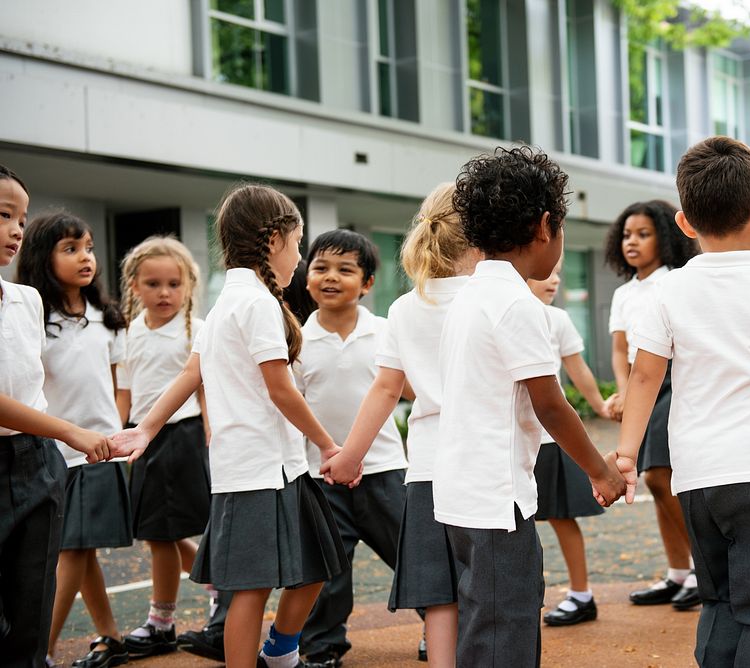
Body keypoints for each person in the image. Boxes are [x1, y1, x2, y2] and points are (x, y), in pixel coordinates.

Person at [614, 136, 750, 666]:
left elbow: (644, 377)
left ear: (684, 223)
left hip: (696, 476)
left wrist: (626, 453)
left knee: (720, 600)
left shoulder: (668, 291)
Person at [111, 183, 348, 668]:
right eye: (299, 245)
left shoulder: (231, 302)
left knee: (317, 564)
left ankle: (280, 654)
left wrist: (147, 427)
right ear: (275, 239)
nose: (299, 257)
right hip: (256, 469)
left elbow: (189, 373)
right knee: (252, 589)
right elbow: (279, 389)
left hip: (278, 468)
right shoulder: (254, 303)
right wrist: (329, 445)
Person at [433, 146, 626, 667]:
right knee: (506, 635)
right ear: (545, 226)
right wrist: (601, 470)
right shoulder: (516, 305)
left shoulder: (469, 298)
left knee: (483, 626)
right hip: (497, 500)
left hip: (461, 494)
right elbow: (551, 403)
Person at [324, 182, 480, 667]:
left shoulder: (405, 308)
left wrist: (350, 454)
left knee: (437, 592)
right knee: (487, 584)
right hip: (484, 464)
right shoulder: (490, 297)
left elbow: (386, 389)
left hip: (427, 467)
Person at [0, 165, 112, 667]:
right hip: (57, 445)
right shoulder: (39, 307)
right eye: (4, 216)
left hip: (40, 461)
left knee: (32, 603)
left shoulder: (24, 301)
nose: (16, 230)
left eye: (21, 218)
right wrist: (72, 432)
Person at [16, 211, 132, 668]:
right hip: (56, 451)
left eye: (87, 247)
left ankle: (42, 650)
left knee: (76, 549)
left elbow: (119, 383)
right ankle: (109, 636)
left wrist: (115, 431)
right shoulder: (35, 318)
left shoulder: (107, 316)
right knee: (77, 550)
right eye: (70, 249)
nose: (86, 257)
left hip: (100, 453)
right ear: (44, 258)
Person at [293, 229, 411, 667]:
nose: (330, 277)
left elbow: (414, 389)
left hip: (383, 469)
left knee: (413, 555)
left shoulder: (385, 332)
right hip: (321, 476)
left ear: (367, 284)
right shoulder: (297, 341)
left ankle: (438, 626)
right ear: (306, 277)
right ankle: (323, 645)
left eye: (346, 270)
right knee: (328, 569)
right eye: (320, 267)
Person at [115, 236, 212, 657]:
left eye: (174, 284)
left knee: (186, 529)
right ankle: (166, 619)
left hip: (186, 437)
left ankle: (207, 596)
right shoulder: (127, 331)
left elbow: (206, 388)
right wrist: (113, 435)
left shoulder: (198, 330)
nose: (164, 292)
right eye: (153, 284)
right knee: (157, 535)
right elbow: (124, 391)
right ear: (135, 285)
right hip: (143, 440)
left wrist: (213, 435)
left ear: (188, 285)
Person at [603, 200, 701, 609]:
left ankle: (703, 569)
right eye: (627, 235)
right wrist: (623, 393)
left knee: (661, 476)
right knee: (655, 479)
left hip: (671, 383)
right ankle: (678, 573)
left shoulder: (675, 281)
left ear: (665, 235)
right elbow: (620, 350)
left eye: (643, 234)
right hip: (641, 390)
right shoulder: (624, 293)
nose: (633, 242)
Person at [526, 259, 612, 626]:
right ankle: (521, 599)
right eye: (545, 271)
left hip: (550, 437)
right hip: (511, 439)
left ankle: (581, 595)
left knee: (562, 518)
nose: (555, 278)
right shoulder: (500, 314)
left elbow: (578, 370)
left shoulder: (556, 320)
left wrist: (602, 408)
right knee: (515, 522)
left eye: (560, 271)